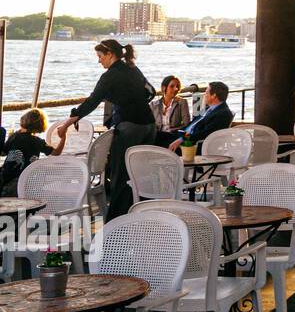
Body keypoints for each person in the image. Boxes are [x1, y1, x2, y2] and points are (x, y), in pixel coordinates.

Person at [52, 39, 156, 220]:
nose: (99, 60)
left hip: (129, 127)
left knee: (121, 176)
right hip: (149, 125)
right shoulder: (133, 68)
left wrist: (67, 124)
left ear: (109, 54)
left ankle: (116, 220)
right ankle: (143, 214)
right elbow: (151, 92)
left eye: (100, 56)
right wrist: (135, 102)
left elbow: (92, 102)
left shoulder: (110, 76)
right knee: (142, 173)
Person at [2, 109, 66, 194]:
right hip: (25, 181)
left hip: (6, 177)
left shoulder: (15, 137)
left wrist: (9, 138)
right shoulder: (38, 142)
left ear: (23, 121)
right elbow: (57, 152)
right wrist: (63, 137)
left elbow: (3, 153)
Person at [158, 82, 233, 151]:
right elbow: (192, 124)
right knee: (154, 134)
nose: (204, 95)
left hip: (191, 144)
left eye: (206, 92)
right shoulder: (208, 108)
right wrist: (177, 132)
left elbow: (205, 134)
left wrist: (181, 139)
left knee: (155, 143)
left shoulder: (223, 114)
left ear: (213, 96)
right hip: (184, 136)